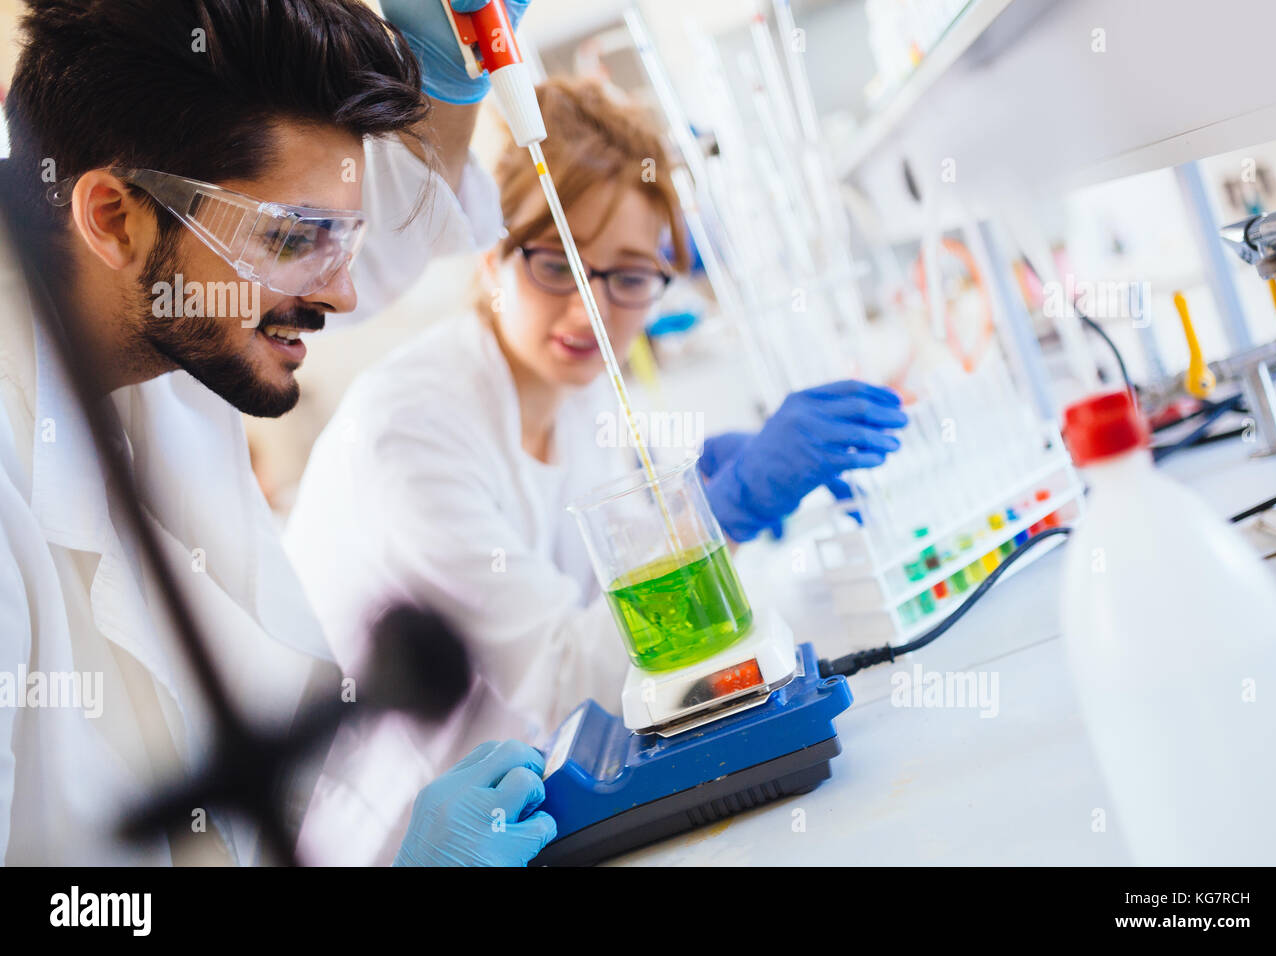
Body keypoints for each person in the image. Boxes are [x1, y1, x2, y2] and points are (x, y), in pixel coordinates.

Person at [285, 77, 910, 864]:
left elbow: (605, 602)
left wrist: (691, 505)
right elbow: (561, 677)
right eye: (557, 264)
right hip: (418, 844)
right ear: (490, 254)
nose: (590, 311)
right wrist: (730, 509)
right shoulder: (410, 434)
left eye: (627, 276)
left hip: (541, 807)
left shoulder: (573, 393)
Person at [0, 0, 552, 866]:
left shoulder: (170, 302)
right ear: (111, 216)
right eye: (297, 237)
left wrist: (450, 64)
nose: (344, 294)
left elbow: (399, 195)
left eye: (342, 238)